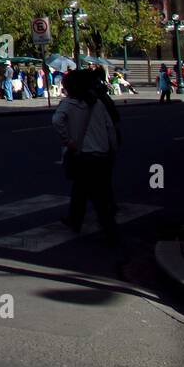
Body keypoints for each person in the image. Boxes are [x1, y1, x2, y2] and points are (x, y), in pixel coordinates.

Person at [52, 69, 120, 245]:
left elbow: (57, 121)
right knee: (87, 190)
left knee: (93, 194)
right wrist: (112, 149)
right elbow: (110, 127)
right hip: (102, 154)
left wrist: (68, 141)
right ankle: (76, 220)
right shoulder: (98, 103)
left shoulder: (69, 103)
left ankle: (109, 230)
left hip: (83, 155)